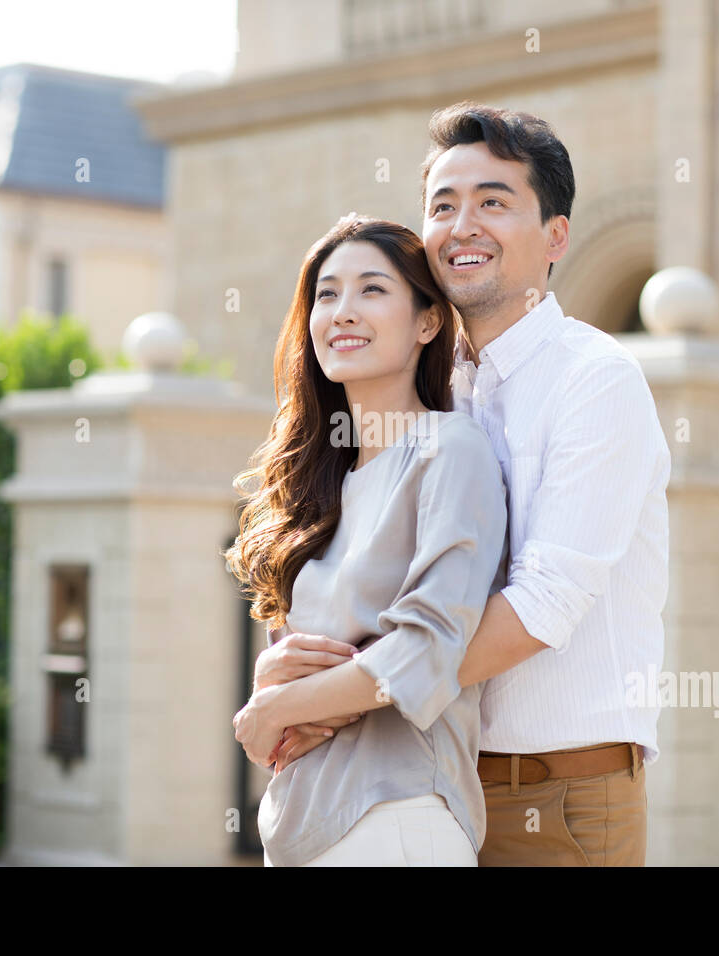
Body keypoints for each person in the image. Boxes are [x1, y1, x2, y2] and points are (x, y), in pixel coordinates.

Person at [272, 102, 671, 866]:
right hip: (422, 781)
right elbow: (364, 573)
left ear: (555, 236)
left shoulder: (595, 381)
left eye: (494, 202)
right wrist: (292, 671)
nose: (463, 225)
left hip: (556, 794)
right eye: (443, 206)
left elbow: (543, 600)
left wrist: (331, 697)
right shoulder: (431, 389)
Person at [227, 213, 509, 866]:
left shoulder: (449, 451)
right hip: (299, 825)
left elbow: (430, 646)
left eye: (372, 290)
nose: (343, 312)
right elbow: (300, 667)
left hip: (397, 818)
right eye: (327, 294)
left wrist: (270, 712)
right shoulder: (317, 486)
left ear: (428, 321)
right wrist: (272, 688)